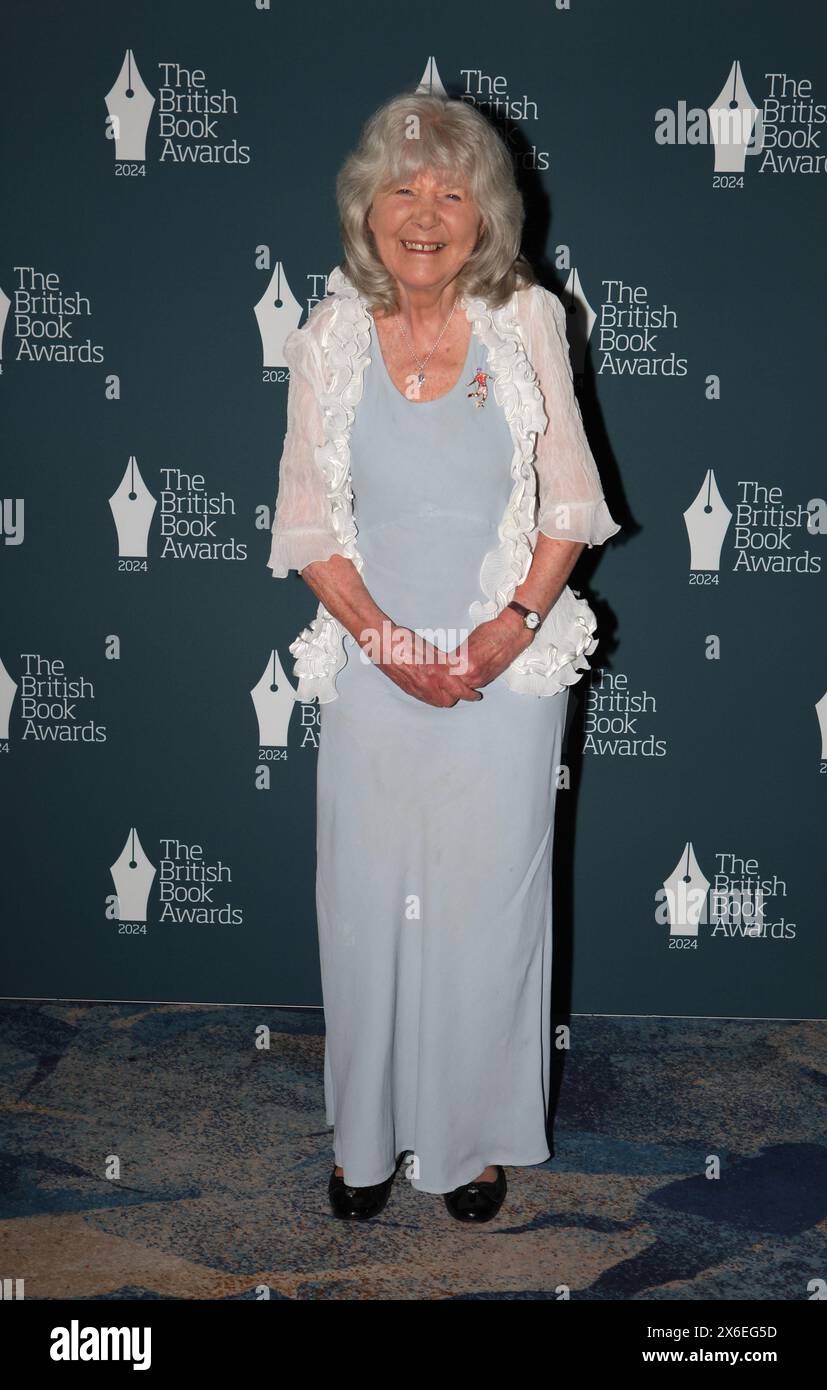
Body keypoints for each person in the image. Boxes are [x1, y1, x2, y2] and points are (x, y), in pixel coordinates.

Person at [267, 91, 621, 1222]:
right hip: (371, 659)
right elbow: (306, 523)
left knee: (484, 909)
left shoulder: (526, 320)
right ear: (366, 209)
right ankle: (363, 1139)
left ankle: (467, 1141)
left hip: (504, 668)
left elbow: (571, 498)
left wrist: (506, 627)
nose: (423, 212)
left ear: (486, 217)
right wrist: (384, 646)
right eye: (402, 190)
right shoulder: (324, 335)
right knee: (363, 902)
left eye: (451, 193)